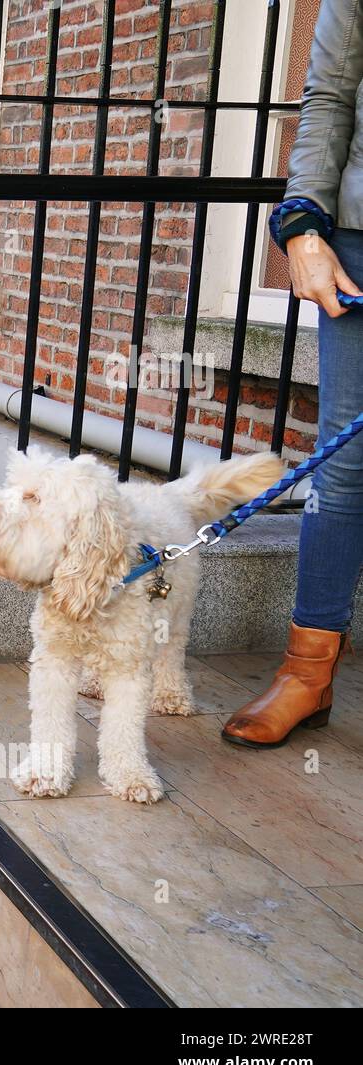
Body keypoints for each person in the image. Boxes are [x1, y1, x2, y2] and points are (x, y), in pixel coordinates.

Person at [232, 0, 363, 748]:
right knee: (343, 469)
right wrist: (305, 225)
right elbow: (331, 95)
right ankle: (307, 675)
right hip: (358, 243)